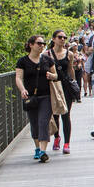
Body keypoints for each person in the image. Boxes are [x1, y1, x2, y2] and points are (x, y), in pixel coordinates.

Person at [15, 34, 57, 162]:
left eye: (43, 44)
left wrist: (51, 75)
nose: (42, 46)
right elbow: (18, 77)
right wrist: (22, 89)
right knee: (34, 123)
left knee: (43, 122)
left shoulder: (47, 60)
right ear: (31, 45)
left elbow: (56, 75)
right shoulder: (22, 61)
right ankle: (37, 148)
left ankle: (43, 151)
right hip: (30, 97)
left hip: (46, 96)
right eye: (39, 43)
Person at [44, 31, 80, 154]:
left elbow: (70, 70)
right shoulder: (47, 54)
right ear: (53, 39)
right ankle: (57, 137)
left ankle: (67, 143)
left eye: (64, 37)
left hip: (65, 87)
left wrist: (74, 84)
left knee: (66, 114)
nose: (63, 39)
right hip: (53, 87)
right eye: (60, 37)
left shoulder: (69, 54)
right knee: (55, 115)